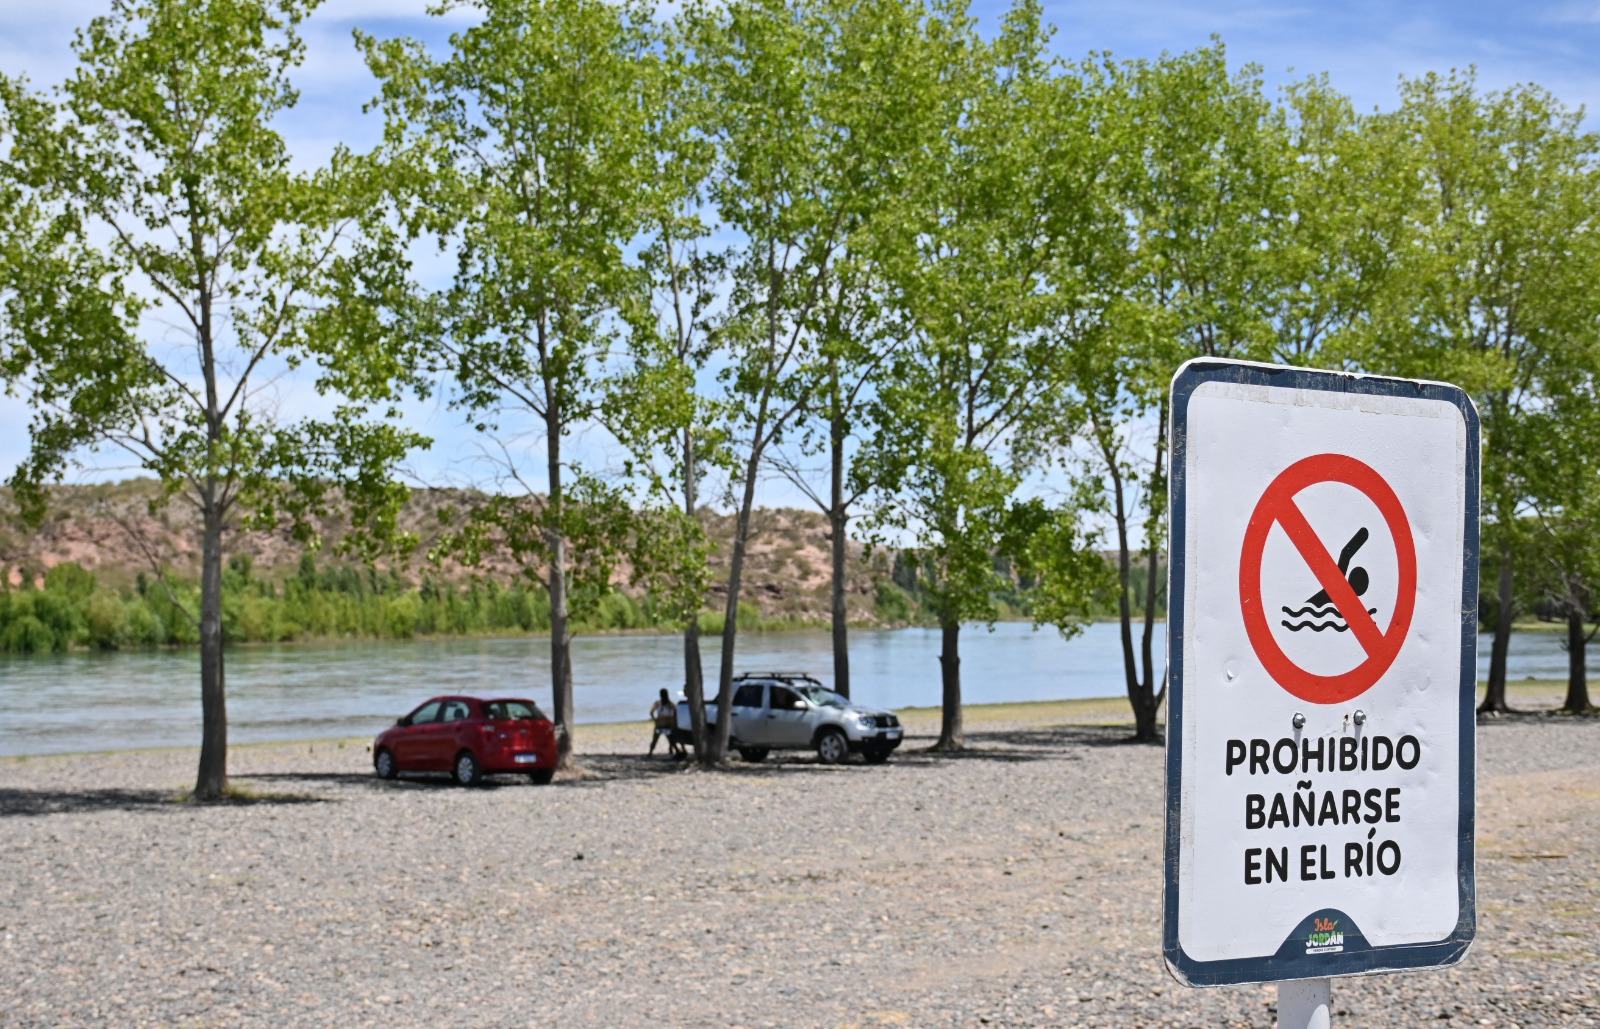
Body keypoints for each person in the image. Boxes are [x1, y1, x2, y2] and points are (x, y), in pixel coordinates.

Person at [649, 688, 681, 758]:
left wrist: (655, 720)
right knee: (671, 738)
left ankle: (650, 752)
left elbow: (651, 712)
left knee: (655, 739)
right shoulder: (671, 704)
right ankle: (674, 750)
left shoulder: (657, 703)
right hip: (668, 724)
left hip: (660, 724)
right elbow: (676, 712)